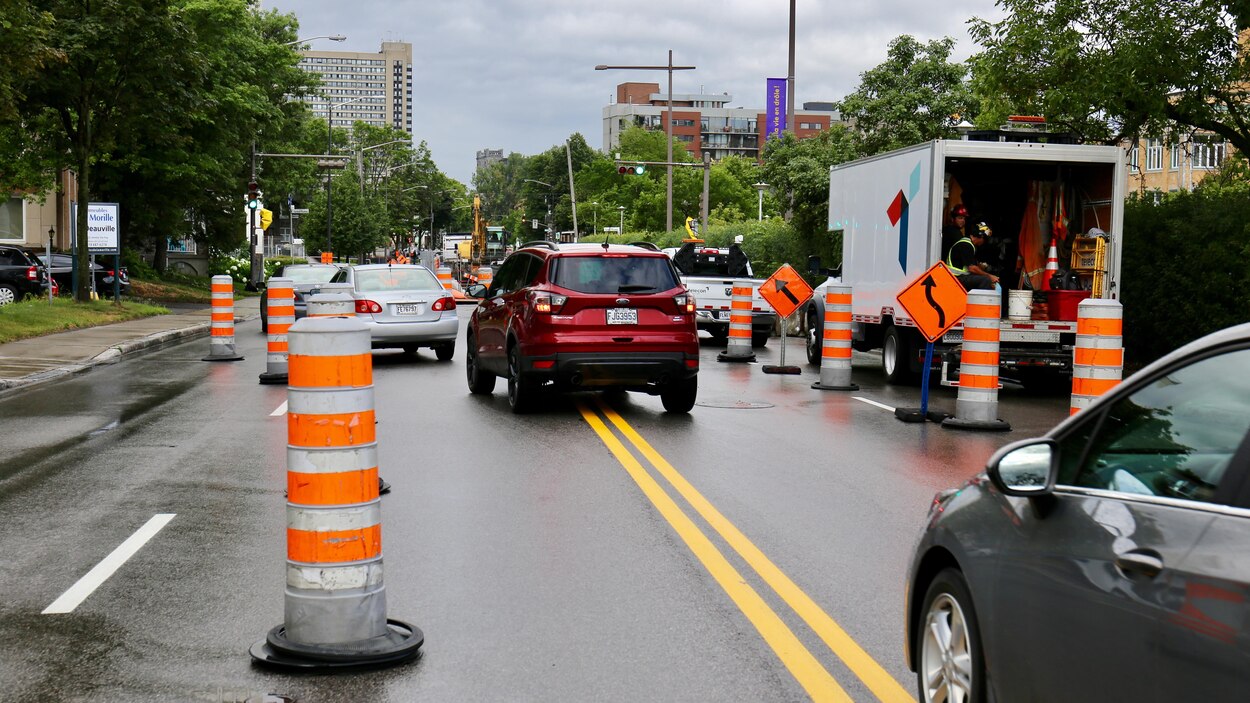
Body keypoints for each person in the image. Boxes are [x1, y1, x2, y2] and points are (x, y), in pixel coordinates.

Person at [947, 221, 1000, 292]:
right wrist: (989, 276)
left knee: (984, 277)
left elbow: (971, 264)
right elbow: (972, 268)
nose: (984, 242)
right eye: (985, 240)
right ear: (981, 237)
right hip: (956, 278)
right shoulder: (966, 245)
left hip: (960, 276)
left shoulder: (969, 244)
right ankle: (981, 302)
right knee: (985, 280)